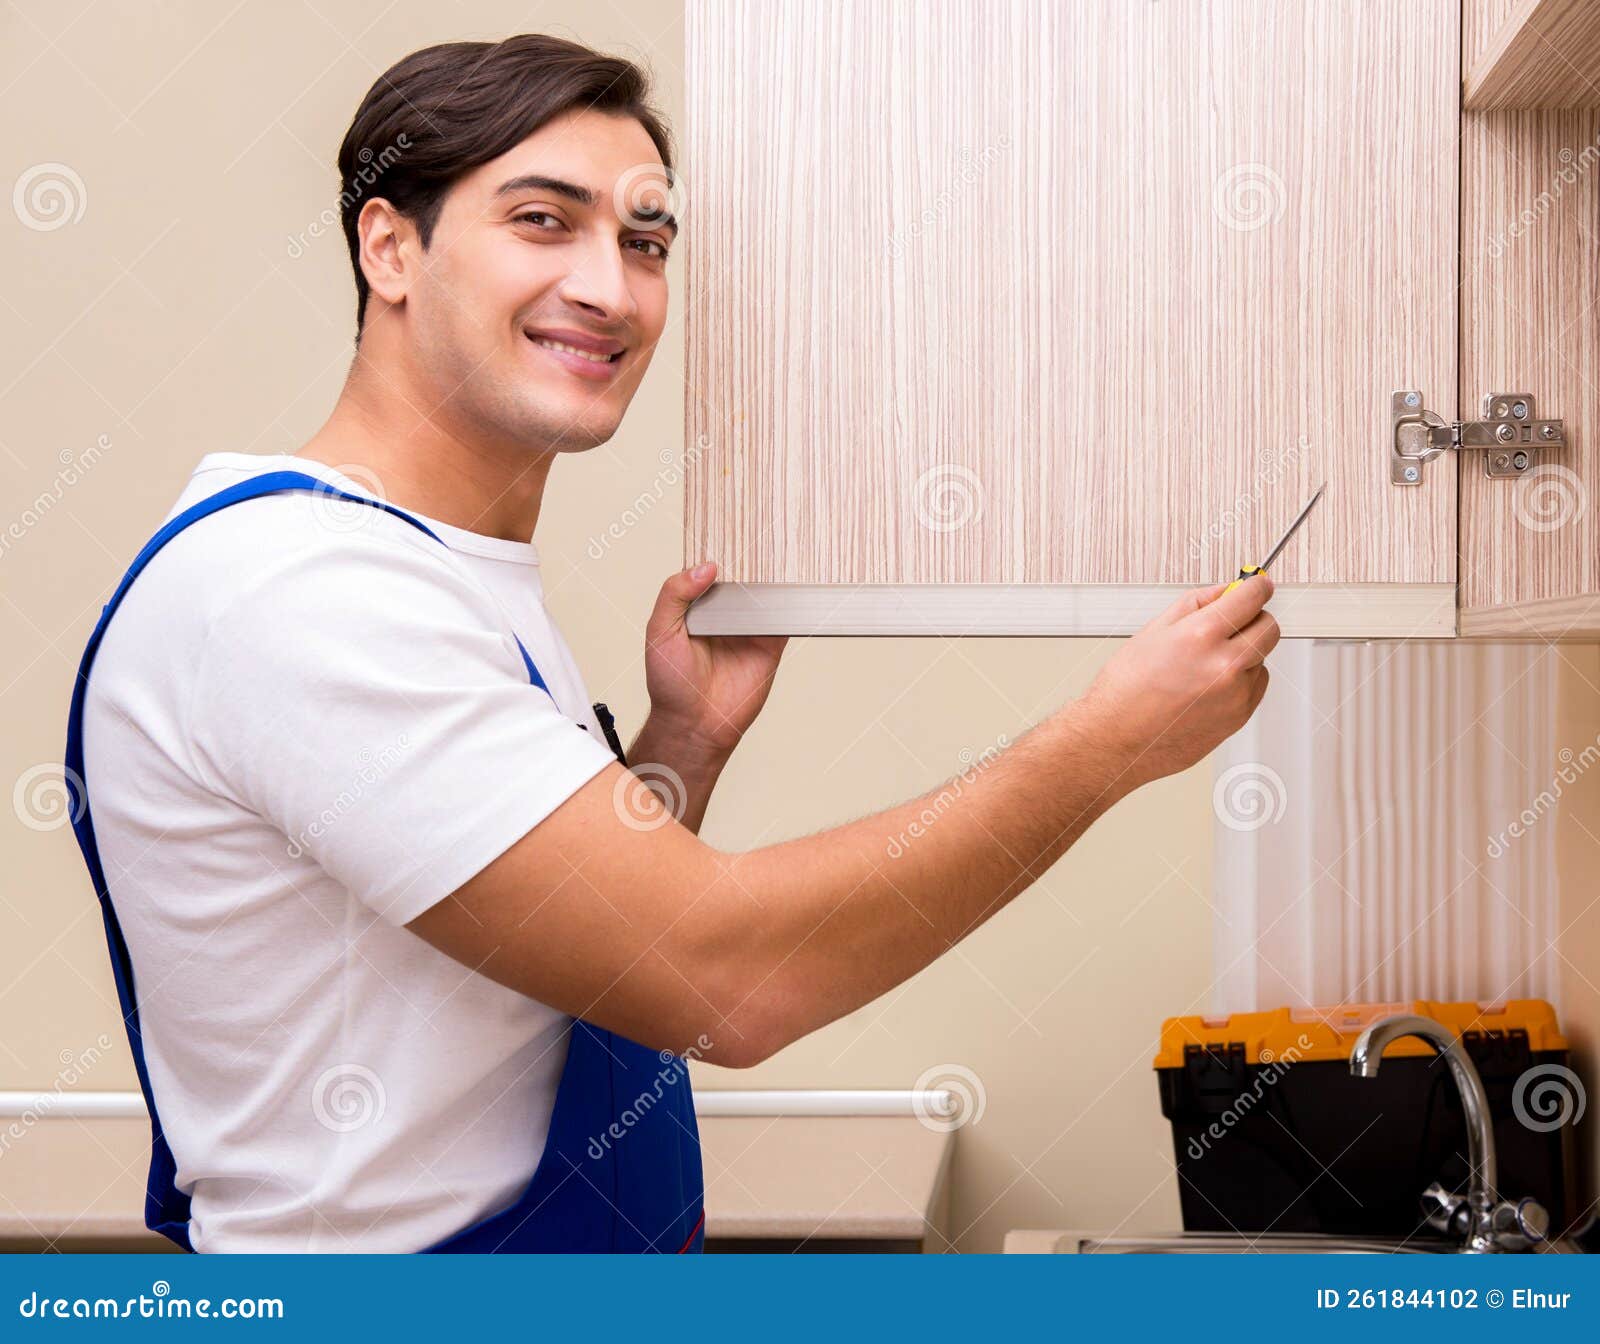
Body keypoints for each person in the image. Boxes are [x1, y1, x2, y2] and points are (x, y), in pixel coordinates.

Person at [65, 33, 1279, 1254]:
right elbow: (723, 981)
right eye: (544, 220)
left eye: (645, 241)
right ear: (389, 245)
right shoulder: (303, 592)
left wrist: (680, 749)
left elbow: (563, 954)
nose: (611, 287)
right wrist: (1107, 746)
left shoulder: (425, 571)